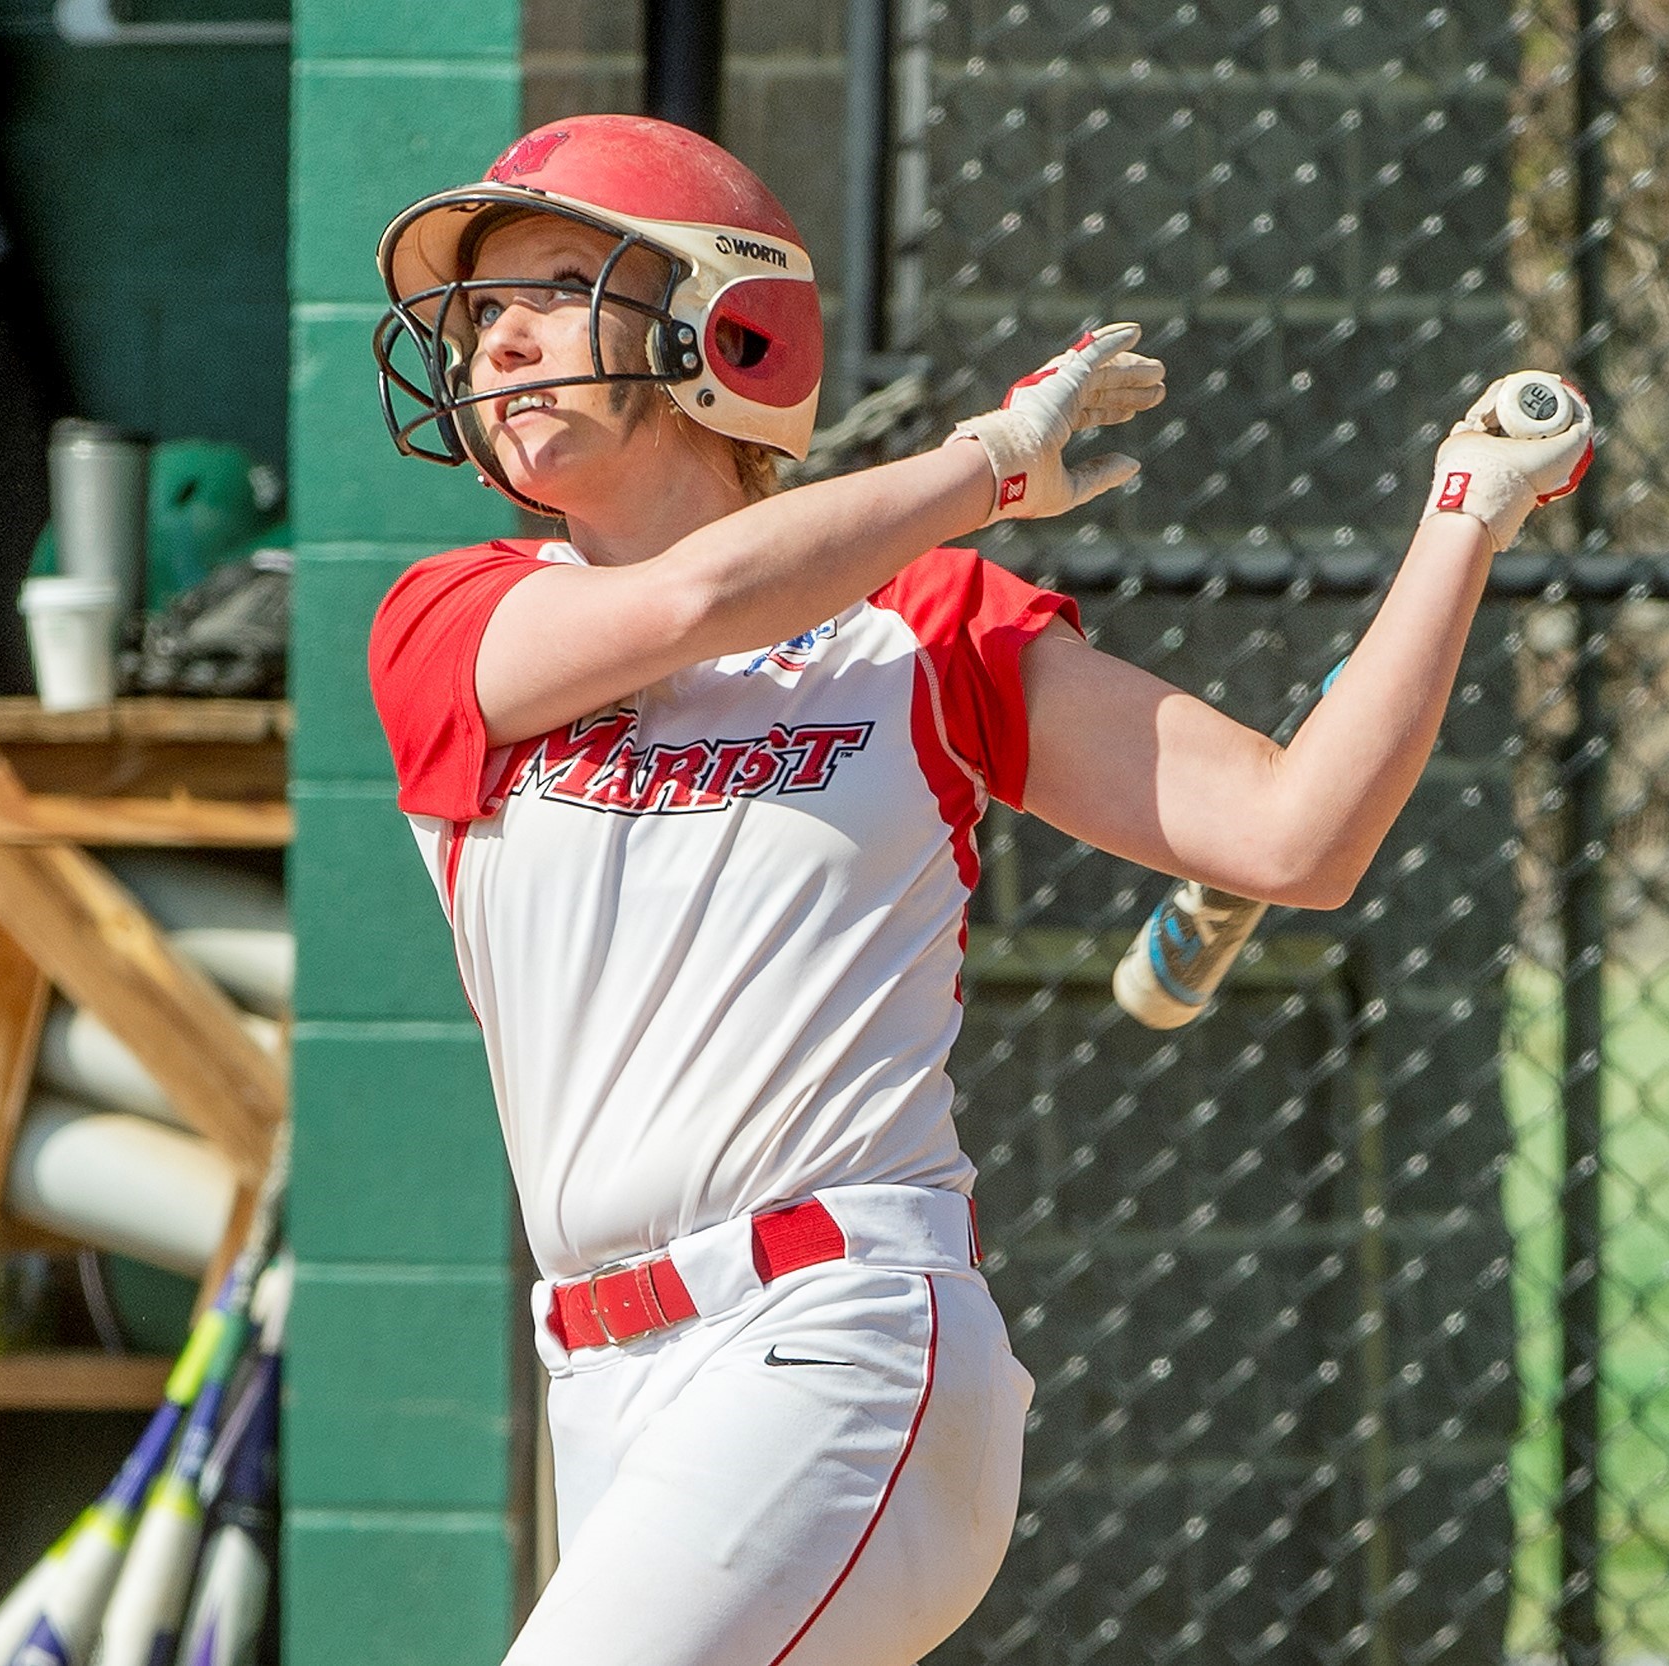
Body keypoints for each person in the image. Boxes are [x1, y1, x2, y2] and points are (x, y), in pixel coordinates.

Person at [366, 114, 1592, 1666]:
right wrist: (987, 464)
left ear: (712, 321)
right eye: (480, 313)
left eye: (550, 281)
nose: (500, 335)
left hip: (839, 1338)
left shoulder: (925, 625)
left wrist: (1461, 516)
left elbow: (1296, 833)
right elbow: (693, 598)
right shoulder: (448, 618)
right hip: (604, 1382)